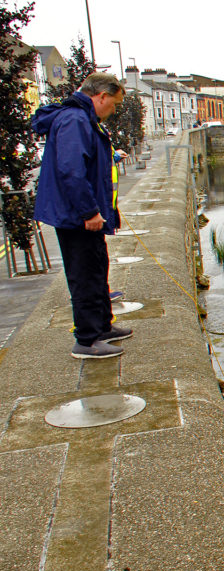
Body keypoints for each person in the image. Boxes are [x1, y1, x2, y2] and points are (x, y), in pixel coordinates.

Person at [33, 72, 131, 359]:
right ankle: (86, 341)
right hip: (76, 216)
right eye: (113, 104)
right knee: (84, 274)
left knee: (97, 267)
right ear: (100, 96)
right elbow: (71, 171)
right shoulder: (75, 120)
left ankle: (101, 326)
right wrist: (89, 211)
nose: (113, 111)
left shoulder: (82, 119)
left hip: (84, 214)